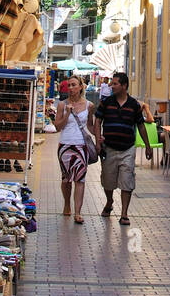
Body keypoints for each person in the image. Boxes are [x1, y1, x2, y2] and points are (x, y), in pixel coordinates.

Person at [94, 71, 152, 225]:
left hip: (127, 149)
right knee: (108, 181)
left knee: (127, 180)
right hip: (109, 148)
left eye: (115, 84)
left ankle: (124, 214)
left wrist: (147, 146)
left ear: (124, 85)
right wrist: (98, 141)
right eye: (112, 83)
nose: (112, 86)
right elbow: (97, 120)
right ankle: (109, 201)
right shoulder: (106, 102)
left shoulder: (134, 105)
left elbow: (140, 125)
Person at [54, 75, 96, 225]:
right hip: (65, 145)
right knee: (66, 179)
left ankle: (78, 212)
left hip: (81, 145)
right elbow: (57, 126)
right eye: (68, 85)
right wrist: (66, 113)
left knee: (80, 178)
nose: (70, 88)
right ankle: (67, 203)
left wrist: (98, 138)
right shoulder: (61, 105)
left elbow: (90, 125)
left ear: (80, 87)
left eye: (73, 85)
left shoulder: (89, 105)